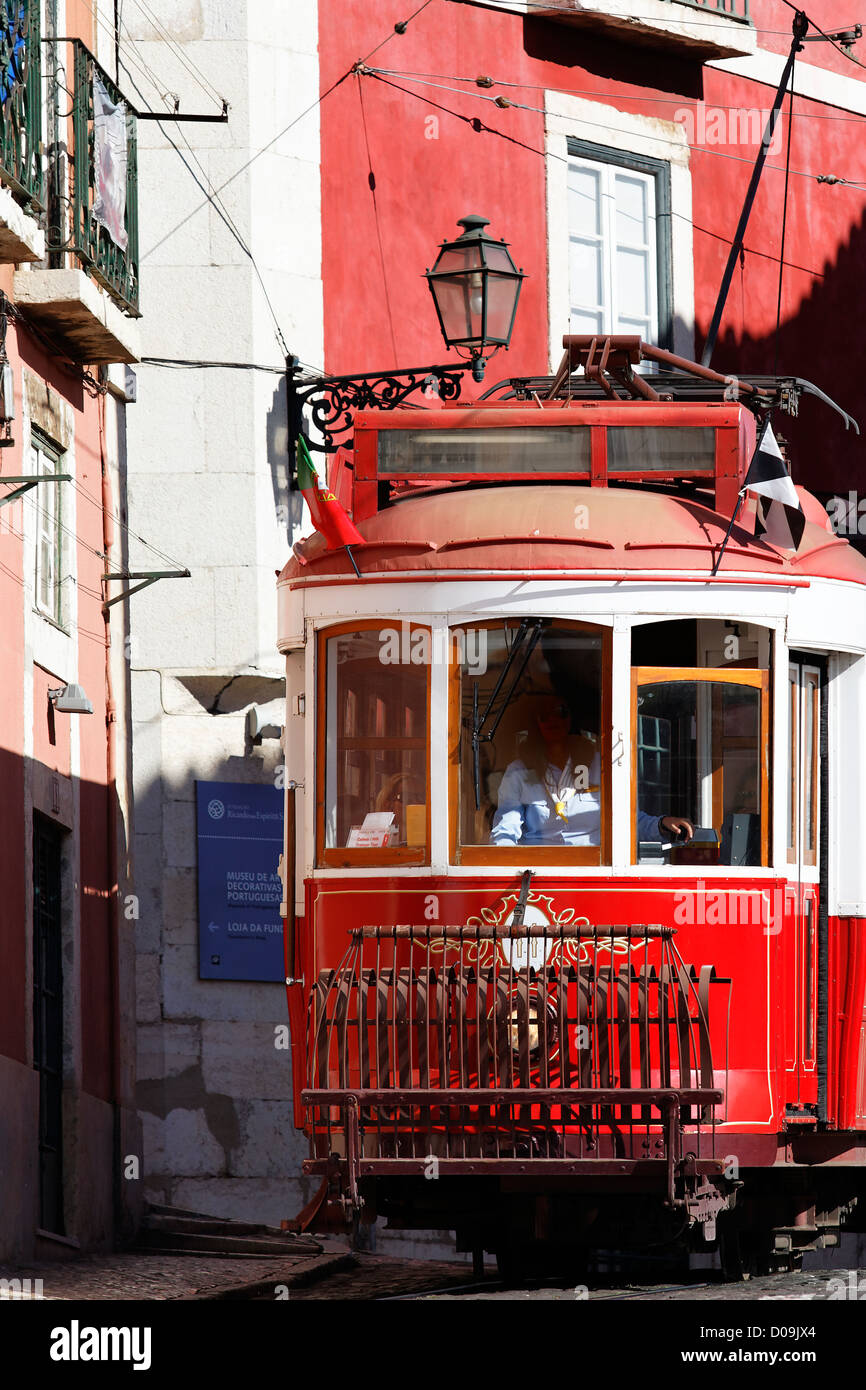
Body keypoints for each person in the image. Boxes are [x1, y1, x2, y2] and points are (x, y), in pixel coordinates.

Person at [490, 693, 694, 848]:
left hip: (590, 871)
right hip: (537, 874)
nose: (553, 719)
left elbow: (629, 822)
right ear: (536, 722)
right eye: (544, 715)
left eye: (560, 712)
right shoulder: (519, 771)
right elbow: (505, 831)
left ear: (571, 719)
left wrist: (662, 824)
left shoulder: (602, 766)